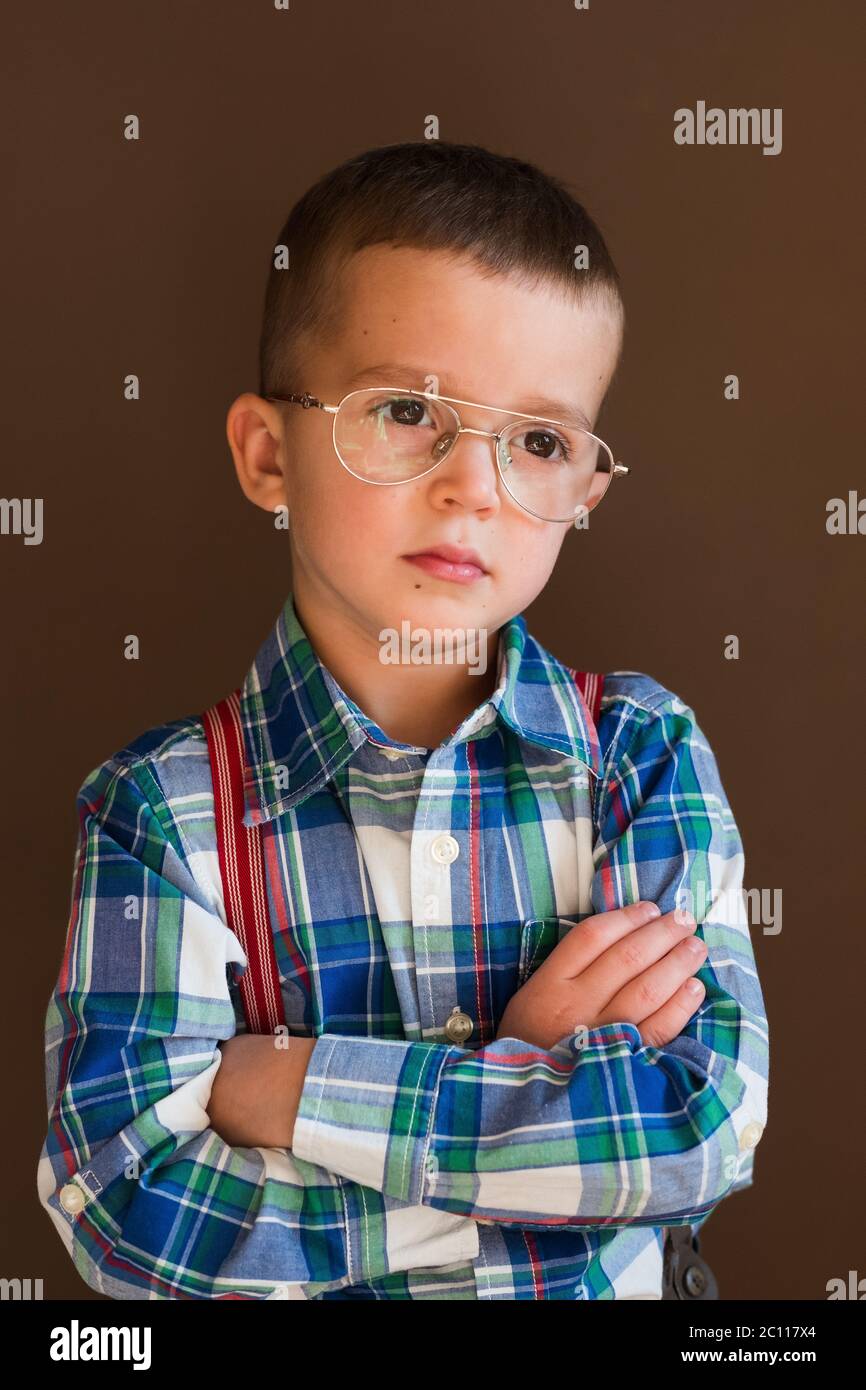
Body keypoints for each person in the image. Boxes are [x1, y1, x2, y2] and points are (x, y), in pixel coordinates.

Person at [37, 140, 769, 1300]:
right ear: (267, 454)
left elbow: (689, 1134)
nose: (474, 484)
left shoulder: (639, 752)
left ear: (583, 492)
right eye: (406, 410)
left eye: (537, 440)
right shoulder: (159, 814)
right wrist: (521, 1103)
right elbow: (132, 1223)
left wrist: (288, 1086)